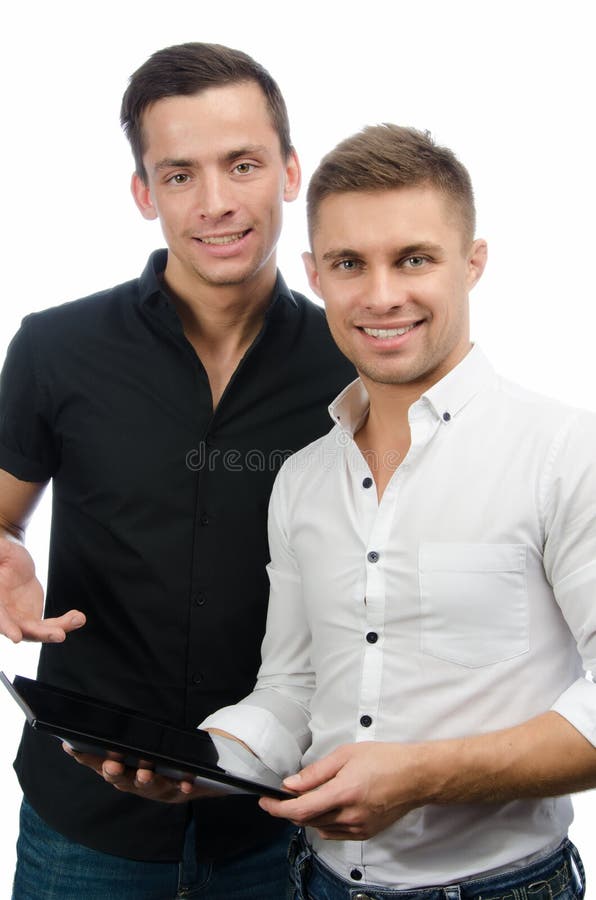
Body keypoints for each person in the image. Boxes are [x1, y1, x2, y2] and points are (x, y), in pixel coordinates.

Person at [193, 124, 596, 898]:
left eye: (414, 258)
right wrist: (200, 762)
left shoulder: (564, 451)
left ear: (473, 263)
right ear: (314, 274)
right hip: (312, 881)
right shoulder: (303, 481)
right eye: (349, 264)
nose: (381, 296)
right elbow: (295, 687)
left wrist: (421, 775)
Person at [0, 42, 354, 900]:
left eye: (243, 165)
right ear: (143, 193)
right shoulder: (55, 348)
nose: (218, 203)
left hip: (282, 821)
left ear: (290, 171)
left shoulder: (355, 363)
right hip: (83, 826)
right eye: (180, 174)